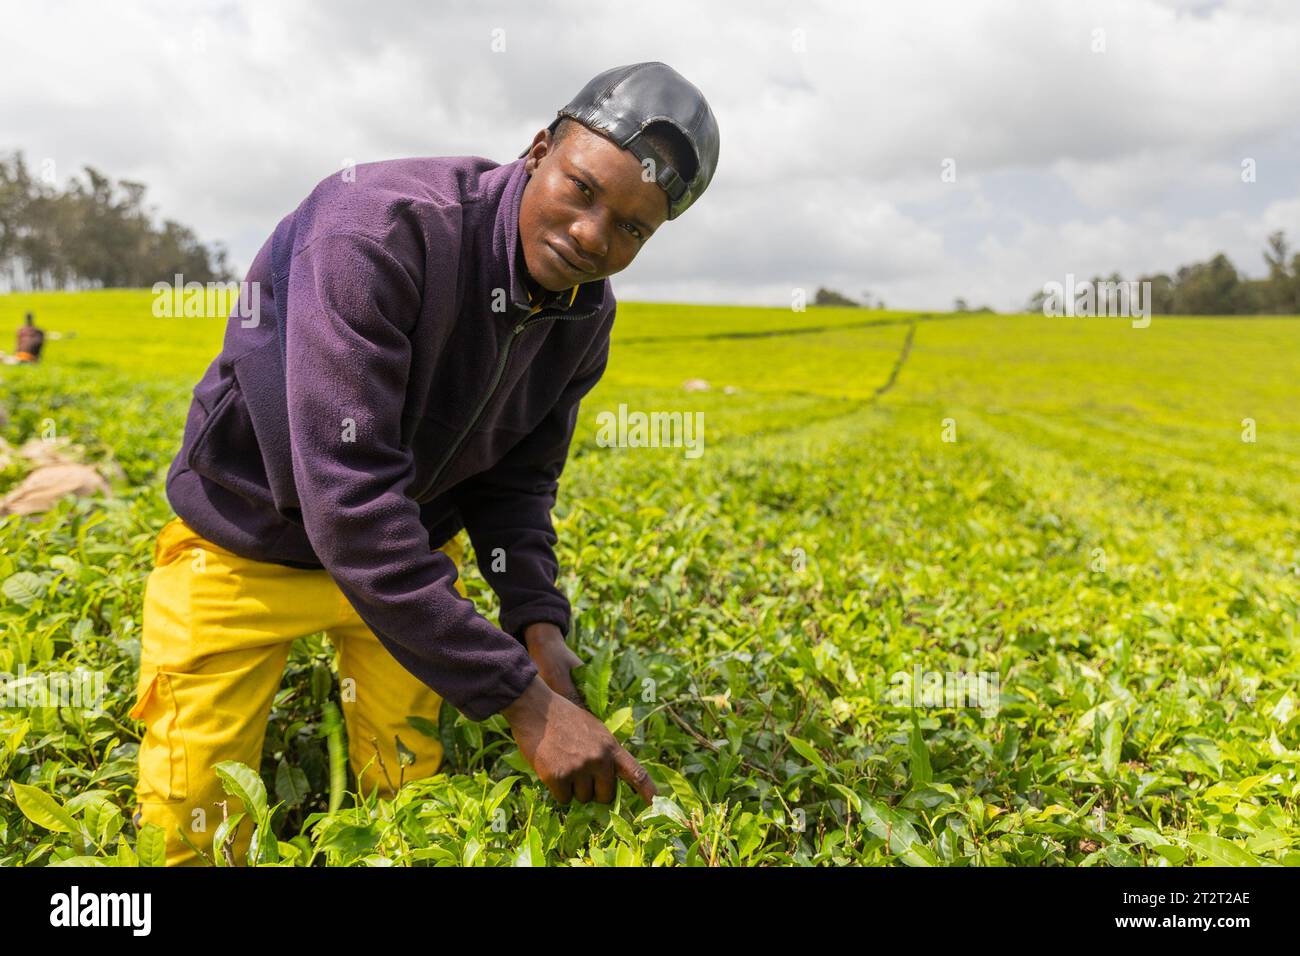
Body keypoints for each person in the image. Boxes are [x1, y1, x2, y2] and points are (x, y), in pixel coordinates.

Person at [130, 61, 720, 865]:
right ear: (540, 147)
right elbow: (349, 498)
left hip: (404, 564)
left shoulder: (582, 314)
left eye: (631, 228)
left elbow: (516, 478)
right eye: (582, 190)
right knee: (187, 833)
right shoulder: (376, 231)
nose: (593, 236)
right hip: (245, 543)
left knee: (412, 809)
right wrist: (522, 703)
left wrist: (535, 623)